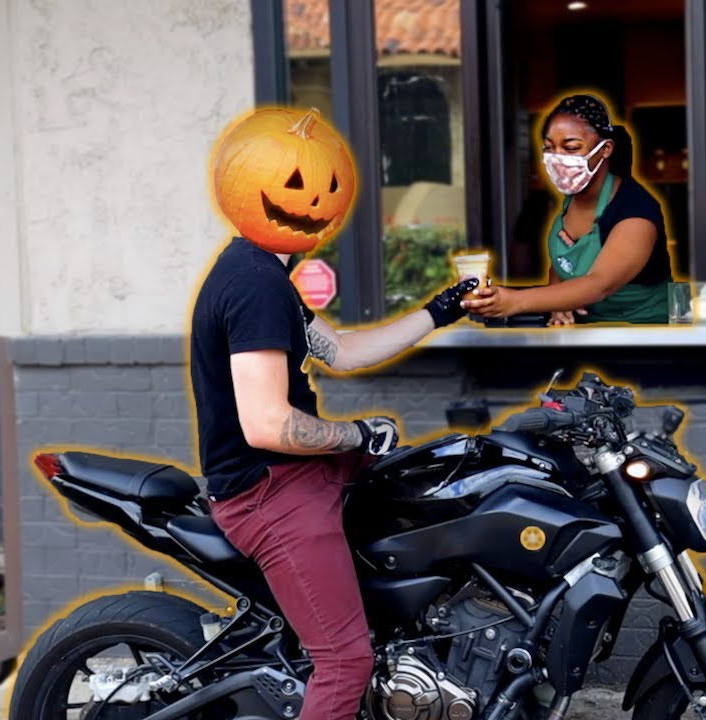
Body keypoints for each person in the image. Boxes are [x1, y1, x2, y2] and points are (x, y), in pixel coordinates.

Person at [190, 116, 477, 720]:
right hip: (269, 492)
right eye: (296, 185)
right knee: (346, 662)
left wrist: (438, 312)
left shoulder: (267, 272)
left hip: (296, 476)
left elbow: (341, 350)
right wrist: (356, 434)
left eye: (327, 190)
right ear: (244, 183)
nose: (314, 205)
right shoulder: (253, 285)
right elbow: (268, 425)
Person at [462, 94, 673, 325]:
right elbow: (564, 262)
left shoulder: (636, 210)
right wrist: (558, 303)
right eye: (549, 148)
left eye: (571, 148)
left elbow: (600, 284)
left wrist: (515, 301)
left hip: (642, 337)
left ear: (605, 149)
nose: (558, 158)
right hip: (582, 334)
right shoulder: (569, 199)